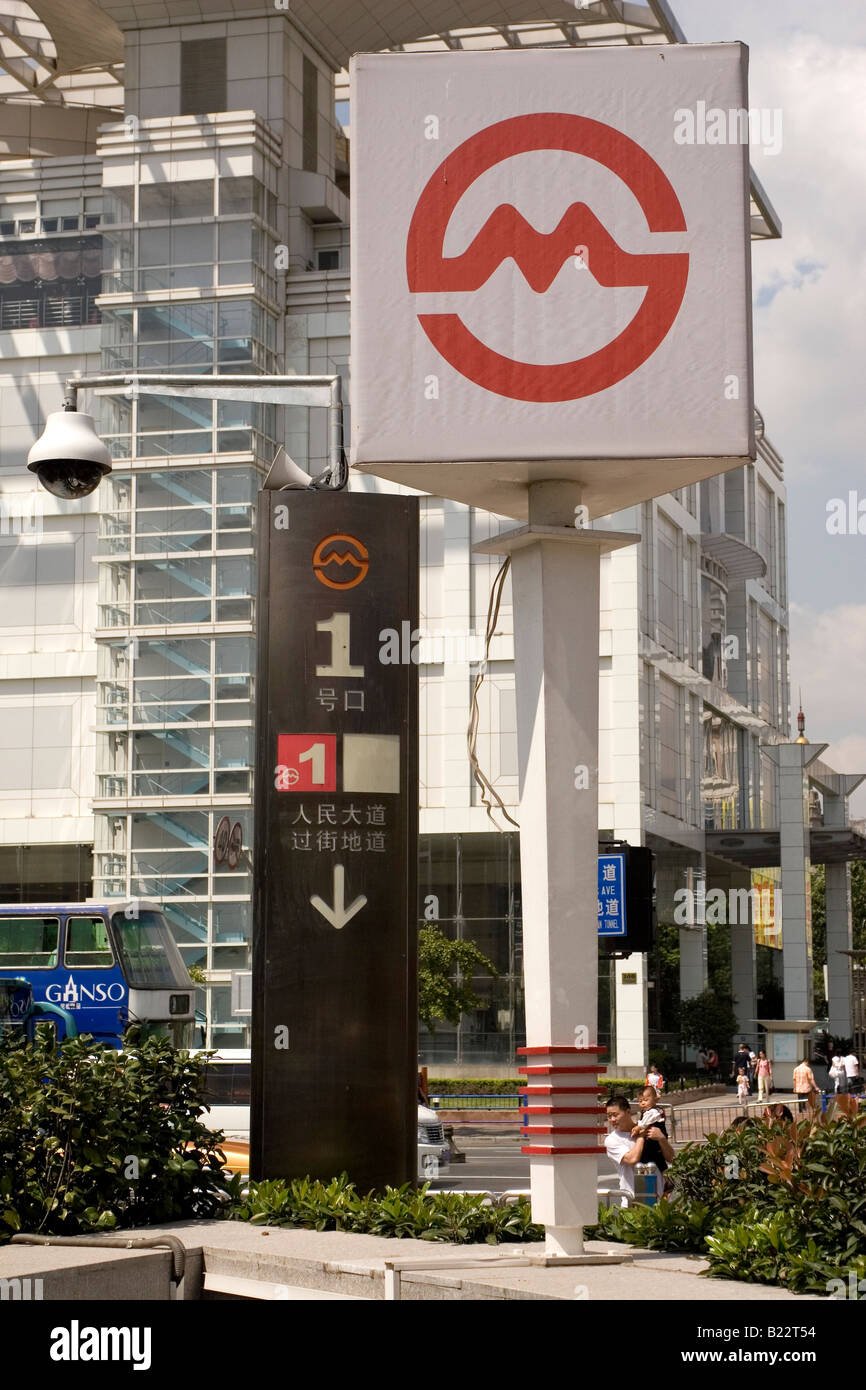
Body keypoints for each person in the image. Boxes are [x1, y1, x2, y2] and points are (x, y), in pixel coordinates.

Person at [604, 1096, 675, 1205]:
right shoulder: (612, 1140)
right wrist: (641, 1136)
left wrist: (661, 1138)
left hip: (661, 1202)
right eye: (609, 1116)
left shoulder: (650, 1129)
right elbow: (632, 1159)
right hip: (633, 1202)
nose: (612, 1120)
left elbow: (671, 1158)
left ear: (628, 1112)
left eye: (615, 1115)